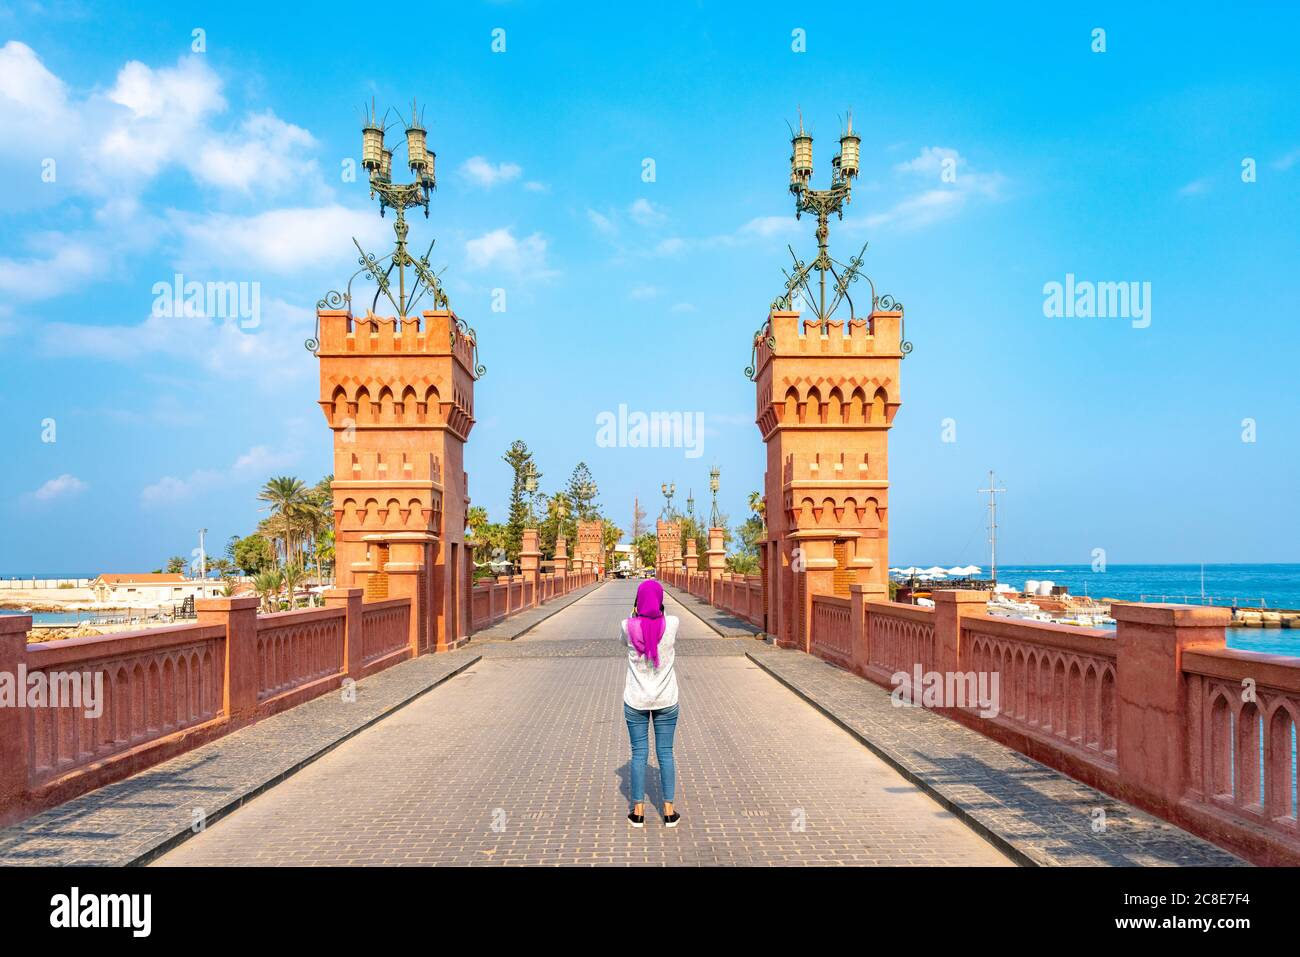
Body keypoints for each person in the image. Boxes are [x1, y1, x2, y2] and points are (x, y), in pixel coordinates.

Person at [621, 579, 680, 828]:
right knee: (665, 753)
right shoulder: (673, 624)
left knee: (639, 754)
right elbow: (663, 618)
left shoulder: (626, 626)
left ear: (637, 602)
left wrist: (635, 614)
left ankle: (638, 812)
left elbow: (625, 639)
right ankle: (668, 812)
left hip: (636, 700)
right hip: (666, 699)